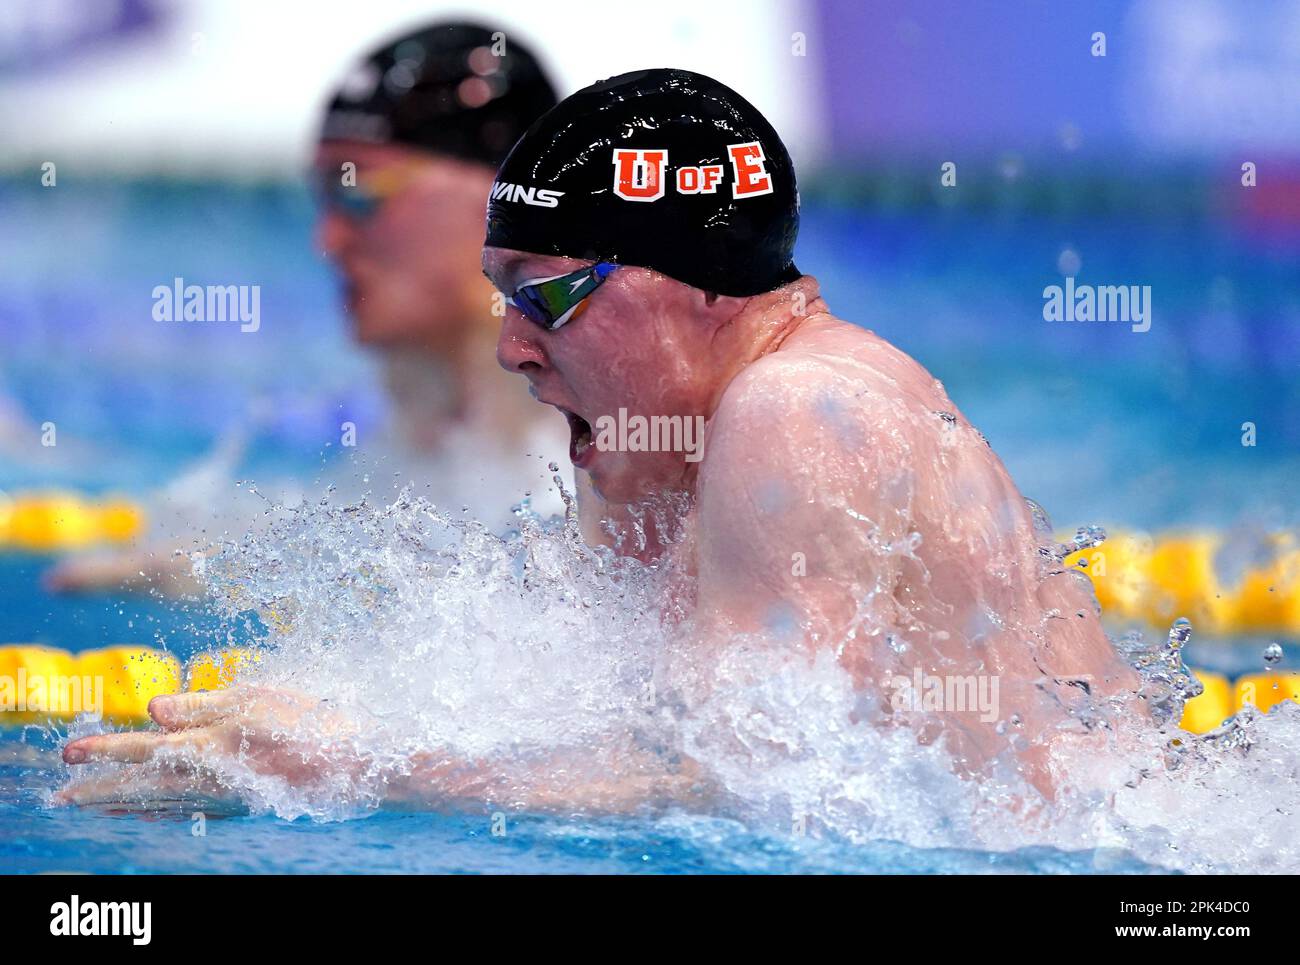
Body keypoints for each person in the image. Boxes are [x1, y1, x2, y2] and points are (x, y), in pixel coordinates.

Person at [58, 69, 1137, 810]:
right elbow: (634, 732)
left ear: (697, 282)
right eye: (500, 300)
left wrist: (366, 763)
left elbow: (770, 781)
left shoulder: (800, 411)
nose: (510, 350)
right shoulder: (653, 448)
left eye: (548, 297)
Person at [46, 21, 568, 596]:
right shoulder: (410, 445)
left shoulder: (593, 466)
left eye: (359, 193)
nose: (328, 239)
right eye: (323, 195)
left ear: (499, 193)